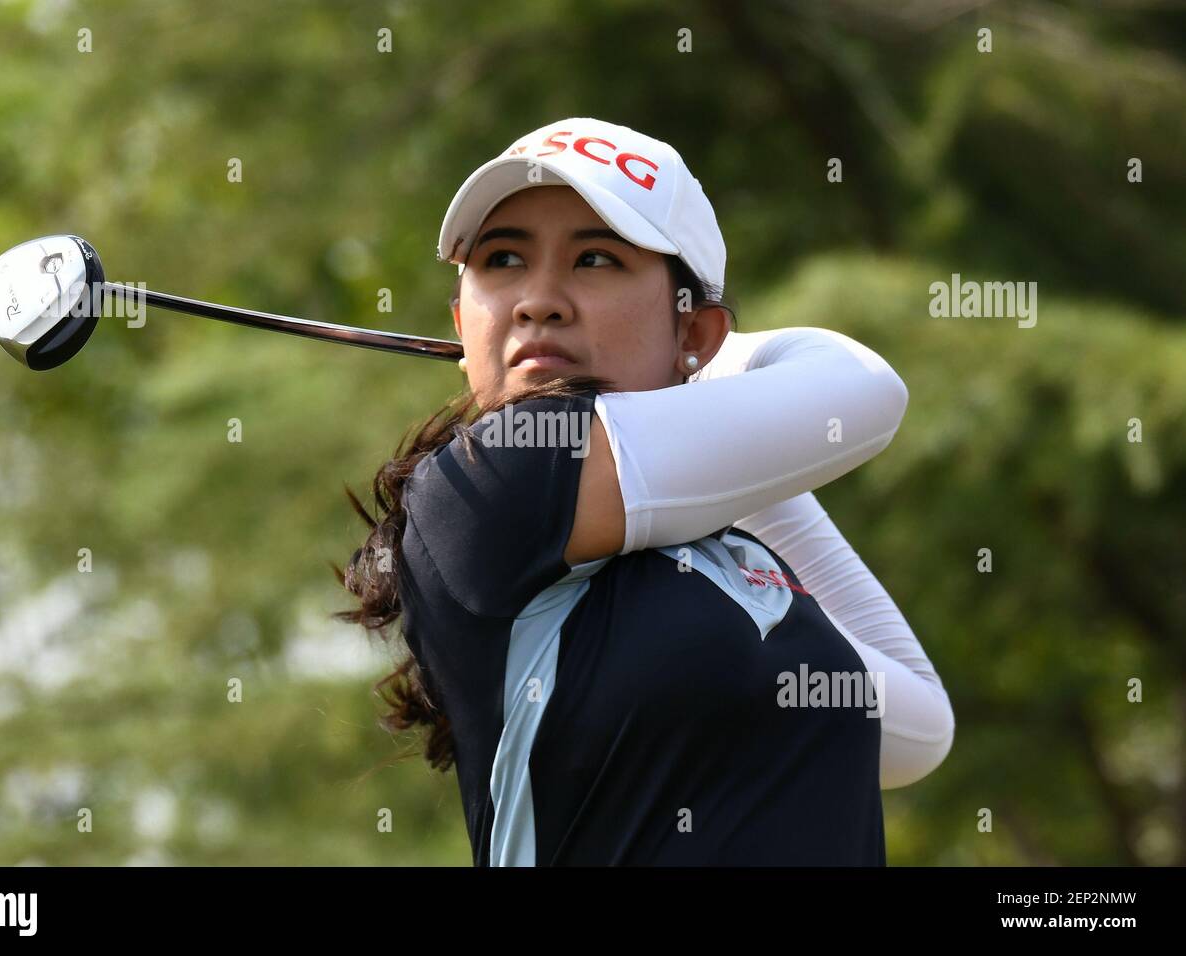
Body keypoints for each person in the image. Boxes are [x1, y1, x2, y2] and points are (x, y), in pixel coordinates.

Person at [337, 117, 954, 866]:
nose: (539, 300)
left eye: (595, 258)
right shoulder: (492, 483)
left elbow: (917, 727)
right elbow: (863, 389)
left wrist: (712, 415)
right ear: (461, 323)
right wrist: (708, 378)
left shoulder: (731, 563)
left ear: (695, 328)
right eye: (503, 259)